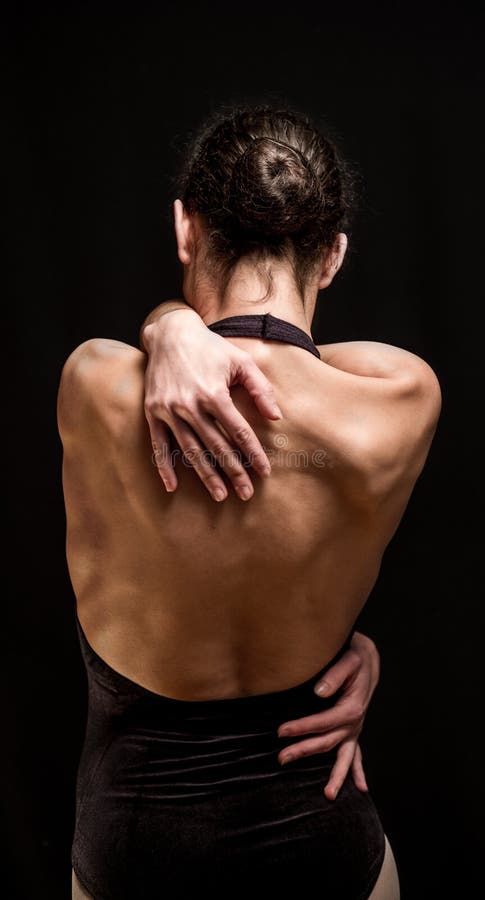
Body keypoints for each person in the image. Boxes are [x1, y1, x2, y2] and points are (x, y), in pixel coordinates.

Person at [58, 105, 441, 900]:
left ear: (184, 230)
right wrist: (353, 646)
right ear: (332, 255)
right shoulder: (400, 396)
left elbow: (189, 344)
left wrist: (170, 325)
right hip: (322, 829)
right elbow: (293, 367)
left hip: (134, 843)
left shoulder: (94, 386)